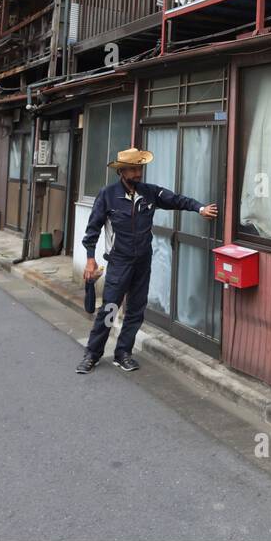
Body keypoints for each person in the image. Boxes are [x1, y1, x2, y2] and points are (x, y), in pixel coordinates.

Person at [76, 146, 218, 374]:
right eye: (133, 169)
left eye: (139, 168)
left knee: (135, 310)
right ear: (122, 171)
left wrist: (199, 208)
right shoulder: (108, 195)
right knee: (110, 308)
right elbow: (92, 230)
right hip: (119, 262)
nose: (138, 173)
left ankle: (123, 353)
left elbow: (176, 200)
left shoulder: (149, 193)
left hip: (143, 261)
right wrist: (90, 259)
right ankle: (92, 354)